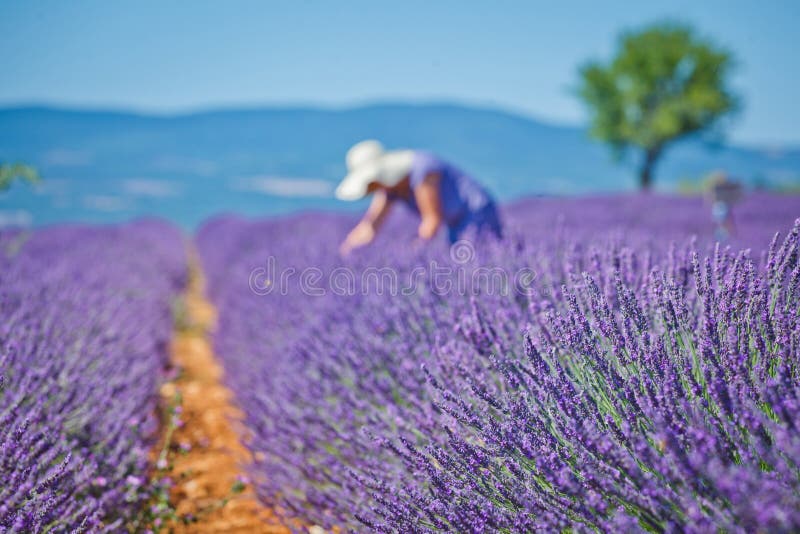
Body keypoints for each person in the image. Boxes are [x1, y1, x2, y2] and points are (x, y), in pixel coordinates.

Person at [336, 140, 501, 254]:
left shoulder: (423, 171)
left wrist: (411, 255)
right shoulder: (390, 188)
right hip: (455, 221)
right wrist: (347, 249)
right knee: (462, 261)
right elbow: (370, 225)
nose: (373, 191)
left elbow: (432, 221)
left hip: (476, 212)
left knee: (476, 262)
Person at [706, 172, 742, 241]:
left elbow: (710, 197)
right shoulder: (719, 187)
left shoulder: (717, 187)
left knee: (722, 224)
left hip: (719, 207)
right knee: (723, 224)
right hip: (720, 207)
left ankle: (722, 238)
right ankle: (723, 238)